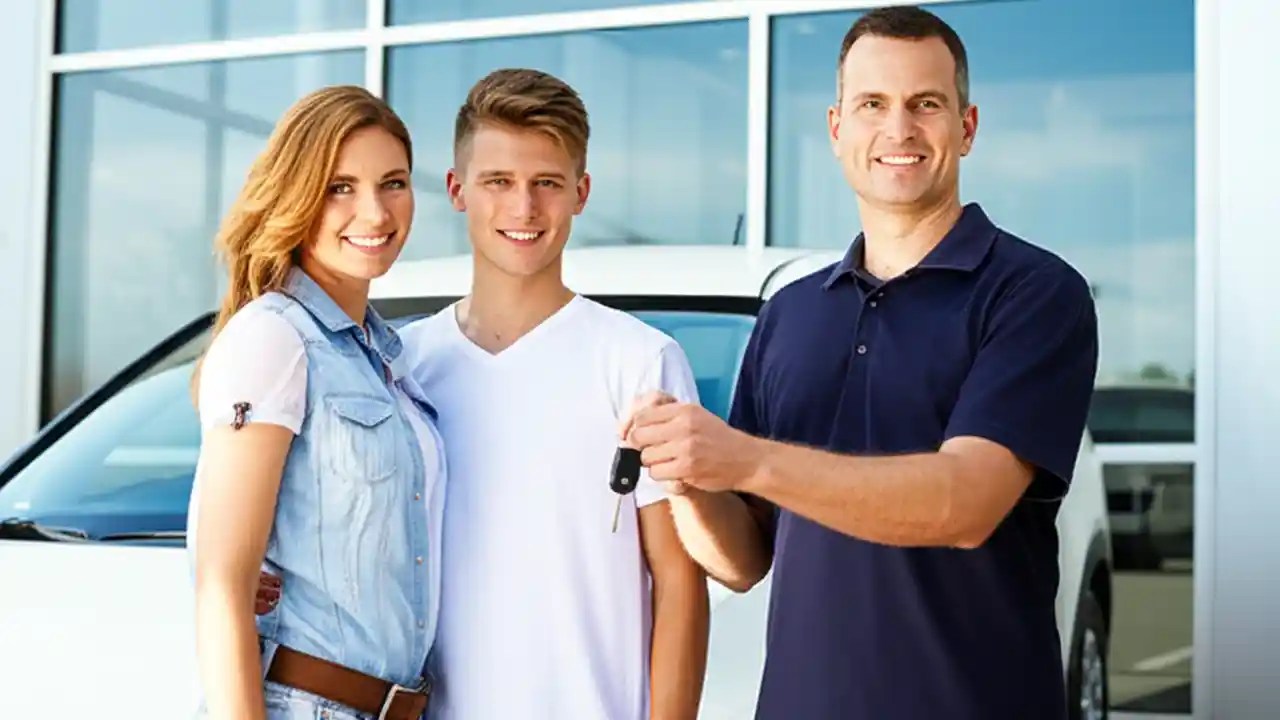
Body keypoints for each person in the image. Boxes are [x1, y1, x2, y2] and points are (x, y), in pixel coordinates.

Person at [623, 6, 1100, 720]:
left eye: (925, 105)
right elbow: (746, 560)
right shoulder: (792, 311)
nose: (898, 130)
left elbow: (964, 503)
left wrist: (744, 458)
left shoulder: (1032, 293)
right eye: (872, 104)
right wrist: (690, 479)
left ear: (966, 128)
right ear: (836, 128)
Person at [400, 68, 710, 719]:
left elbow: (679, 581)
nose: (524, 208)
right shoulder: (405, 366)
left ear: (581, 192)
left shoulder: (639, 361)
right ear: (457, 190)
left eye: (547, 183)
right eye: (498, 183)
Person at [188, 85, 445, 720]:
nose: (376, 212)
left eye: (393, 182)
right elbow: (222, 583)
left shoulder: (386, 357)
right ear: (297, 194)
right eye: (341, 187)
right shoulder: (274, 338)